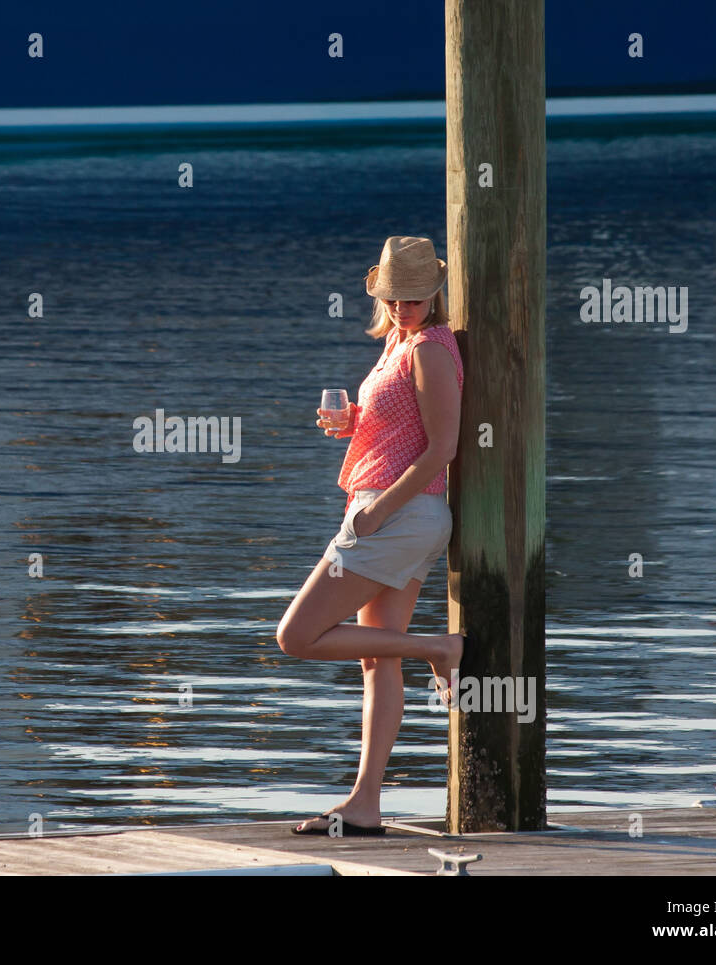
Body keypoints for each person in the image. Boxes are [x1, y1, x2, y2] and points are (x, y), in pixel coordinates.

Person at [276, 235, 466, 836]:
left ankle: (441, 649)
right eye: (395, 297)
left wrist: (377, 511)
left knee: (297, 635)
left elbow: (443, 448)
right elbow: (404, 426)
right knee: (374, 657)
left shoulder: (432, 350)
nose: (404, 307)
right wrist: (354, 423)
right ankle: (365, 805)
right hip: (389, 513)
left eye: (415, 298)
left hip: (398, 516)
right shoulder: (396, 342)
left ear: (434, 293)